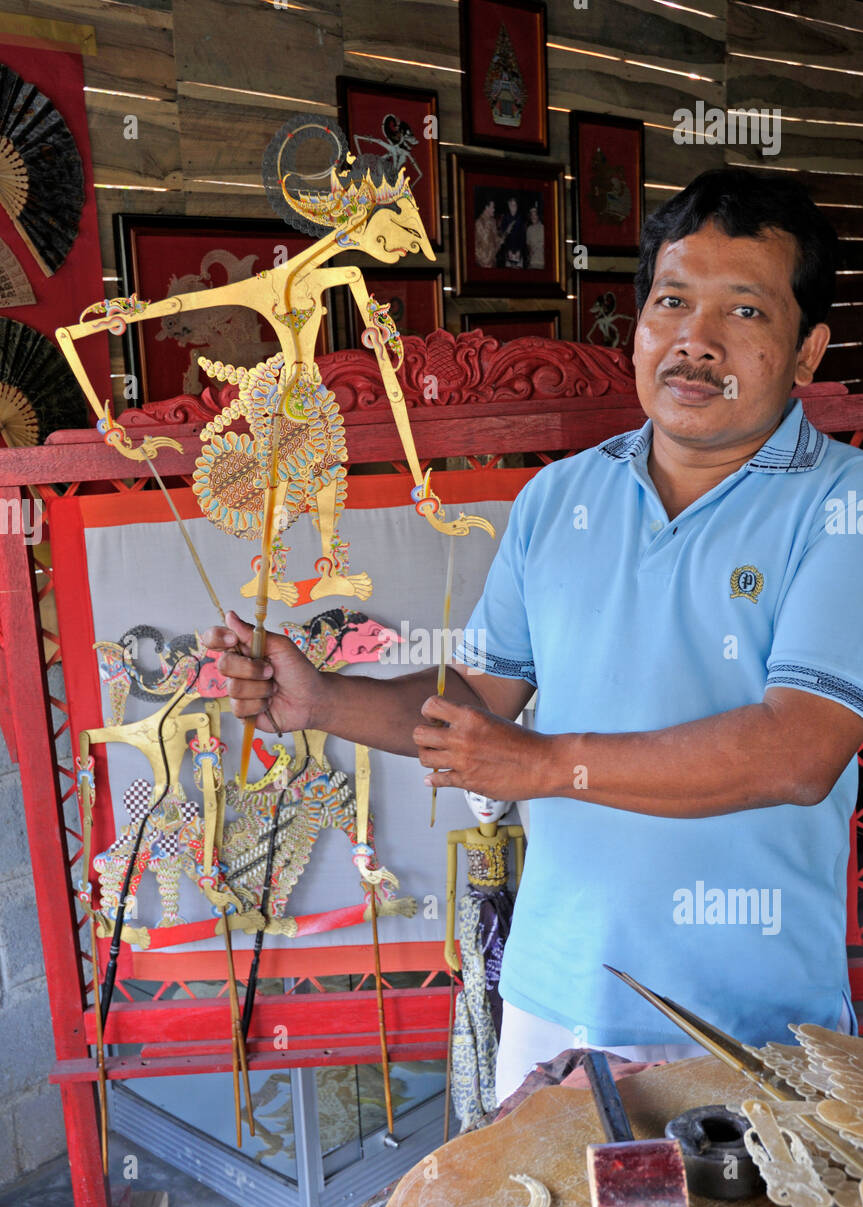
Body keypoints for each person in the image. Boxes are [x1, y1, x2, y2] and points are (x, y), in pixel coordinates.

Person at [204, 168, 863, 1106]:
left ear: (807, 354)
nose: (694, 341)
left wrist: (545, 765)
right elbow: (479, 702)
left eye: (744, 313)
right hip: (556, 1000)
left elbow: (799, 750)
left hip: (752, 1026)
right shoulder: (560, 498)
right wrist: (319, 698)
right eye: (670, 302)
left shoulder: (843, 504)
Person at [498, 195, 526, 269]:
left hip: (518, 252)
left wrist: (519, 250)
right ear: (508, 206)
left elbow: (523, 236)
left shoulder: (520, 218)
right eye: (511, 205)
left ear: (517, 206)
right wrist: (508, 249)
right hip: (508, 252)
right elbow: (503, 236)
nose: (513, 207)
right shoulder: (505, 218)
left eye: (515, 205)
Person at [474, 198, 502, 269]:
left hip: (493, 263)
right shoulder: (479, 223)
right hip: (483, 264)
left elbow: (496, 241)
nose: (494, 209)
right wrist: (483, 261)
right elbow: (475, 246)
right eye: (493, 207)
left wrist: (501, 239)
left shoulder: (493, 221)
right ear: (486, 208)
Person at [525, 204, 544, 269]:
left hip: (542, 263)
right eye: (531, 215)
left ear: (538, 216)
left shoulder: (543, 228)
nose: (533, 217)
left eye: (535, 214)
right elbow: (528, 245)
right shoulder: (529, 229)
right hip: (532, 263)